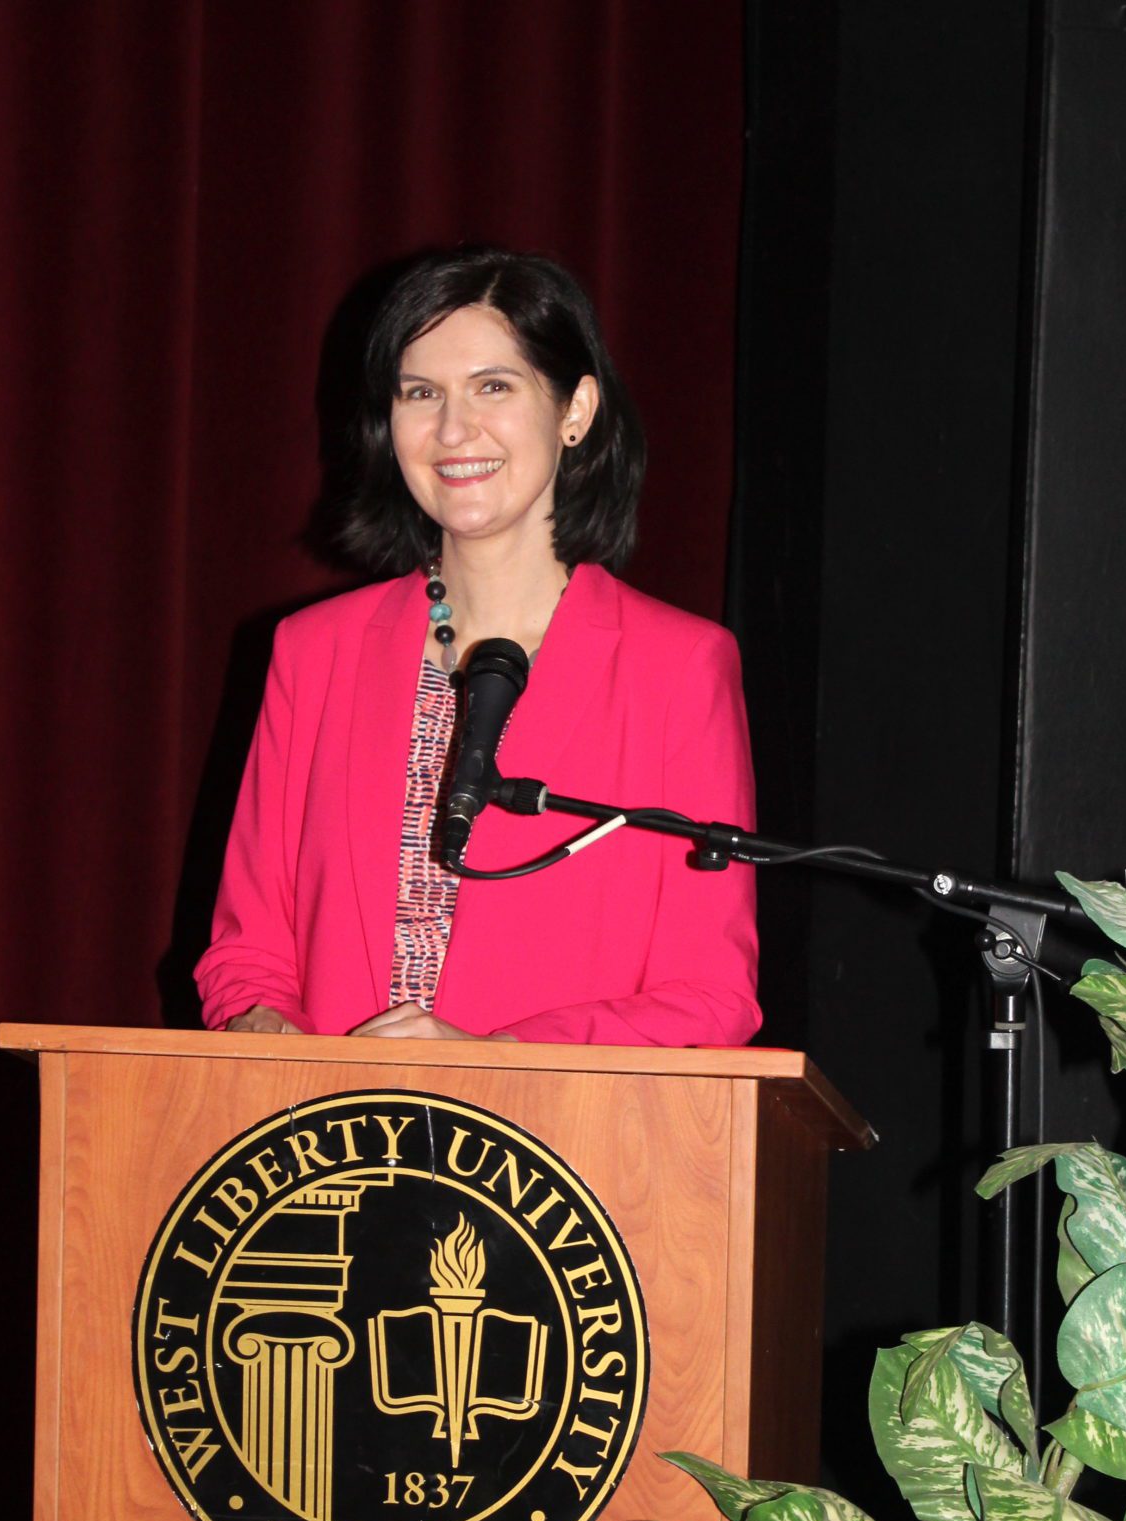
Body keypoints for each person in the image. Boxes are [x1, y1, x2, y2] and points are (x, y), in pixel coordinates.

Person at [195, 246, 759, 1047]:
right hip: (330, 1148)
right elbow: (247, 950)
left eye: (493, 386)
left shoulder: (677, 668)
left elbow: (710, 995)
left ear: (576, 410)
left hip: (554, 1158)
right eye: (420, 393)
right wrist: (262, 1024)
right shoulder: (312, 652)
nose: (453, 430)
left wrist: (494, 1064)